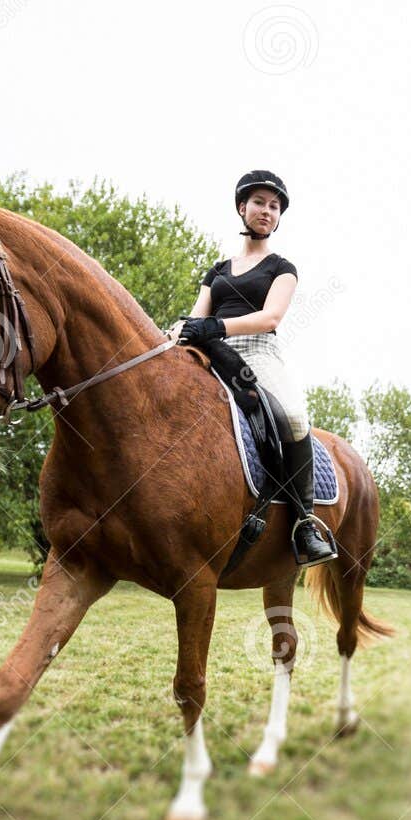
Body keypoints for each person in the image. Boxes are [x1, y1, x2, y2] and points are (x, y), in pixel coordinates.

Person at [171, 170, 337, 569]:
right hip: (211, 350)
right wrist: (182, 330)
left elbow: (270, 317)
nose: (267, 210)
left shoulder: (282, 267)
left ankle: (305, 523)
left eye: (274, 206)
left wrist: (214, 326)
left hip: (257, 353)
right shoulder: (218, 270)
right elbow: (198, 316)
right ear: (242, 208)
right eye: (260, 203)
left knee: (294, 419)